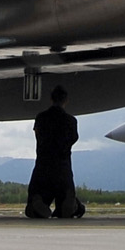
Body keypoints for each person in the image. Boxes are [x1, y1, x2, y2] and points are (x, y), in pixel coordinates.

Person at [26, 85, 82, 219]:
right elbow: (73, 139)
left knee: (36, 196)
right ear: (66, 100)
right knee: (67, 196)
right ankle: (69, 205)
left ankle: (37, 205)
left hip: (43, 164)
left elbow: (38, 135)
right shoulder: (71, 120)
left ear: (51, 99)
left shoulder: (41, 118)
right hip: (63, 166)